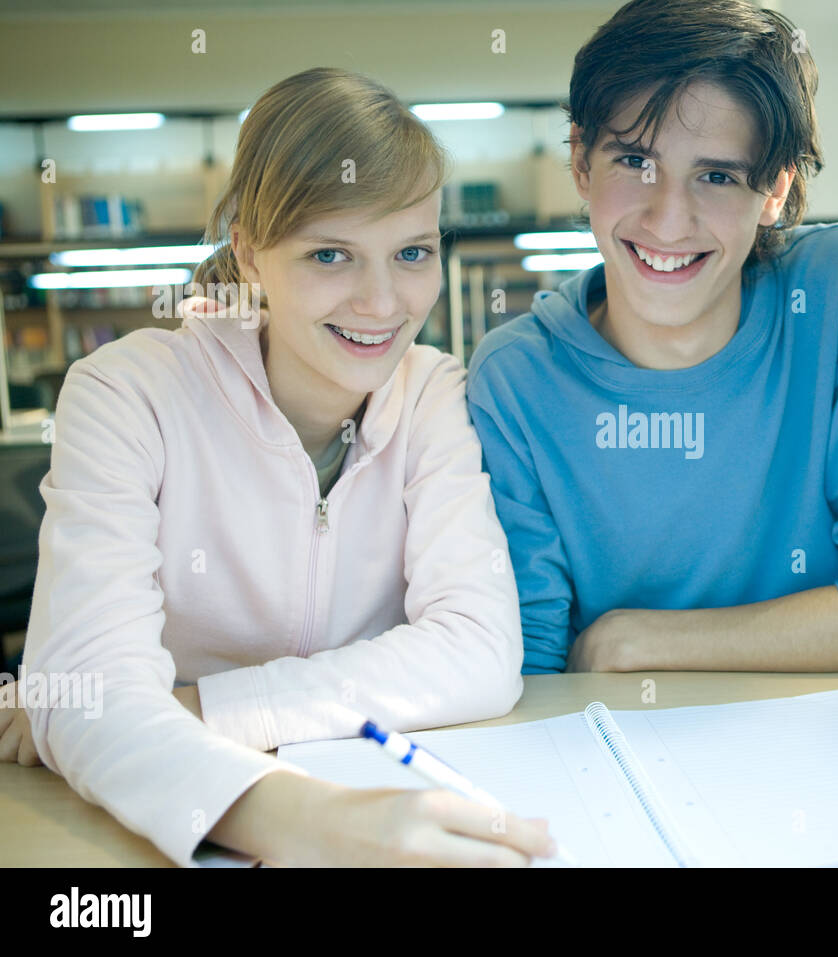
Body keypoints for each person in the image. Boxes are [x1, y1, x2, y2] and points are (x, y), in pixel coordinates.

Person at [2, 67, 556, 867]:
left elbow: (478, 650)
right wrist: (307, 821)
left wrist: (198, 704)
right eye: (331, 254)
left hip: (317, 773)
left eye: (412, 252)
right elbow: (86, 690)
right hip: (158, 831)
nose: (382, 301)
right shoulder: (126, 393)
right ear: (252, 253)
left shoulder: (433, 393)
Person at [468, 0, 838, 675]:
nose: (669, 221)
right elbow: (531, 672)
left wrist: (634, 642)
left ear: (775, 190)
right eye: (636, 161)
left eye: (718, 176)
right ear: (581, 161)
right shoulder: (515, 379)